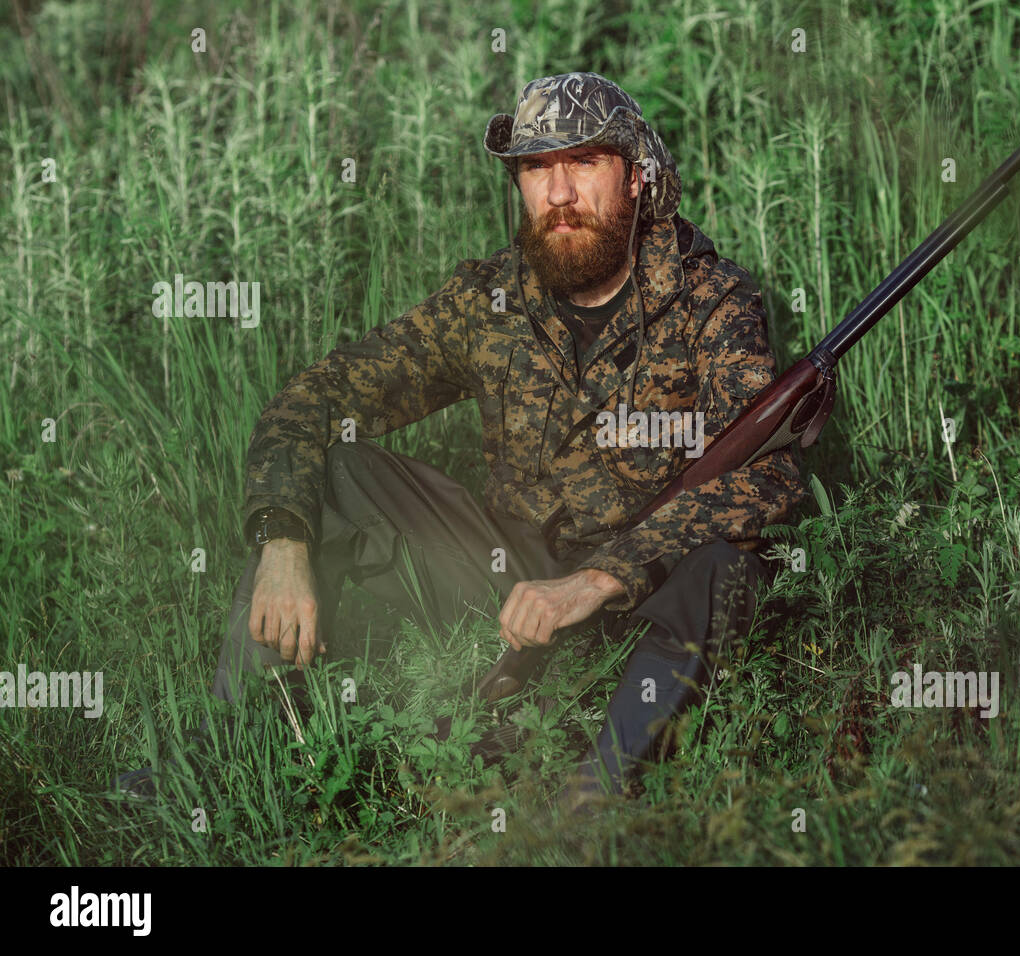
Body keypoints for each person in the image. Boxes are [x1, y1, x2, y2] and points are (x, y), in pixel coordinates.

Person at [117, 71, 806, 810]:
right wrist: (282, 542)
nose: (560, 193)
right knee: (339, 474)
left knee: (725, 560)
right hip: (507, 584)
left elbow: (769, 481)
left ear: (637, 177)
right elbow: (314, 398)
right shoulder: (492, 301)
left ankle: (597, 797)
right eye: (538, 170)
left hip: (650, 593)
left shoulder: (712, 301)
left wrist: (602, 577)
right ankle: (225, 755)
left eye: (583, 163)